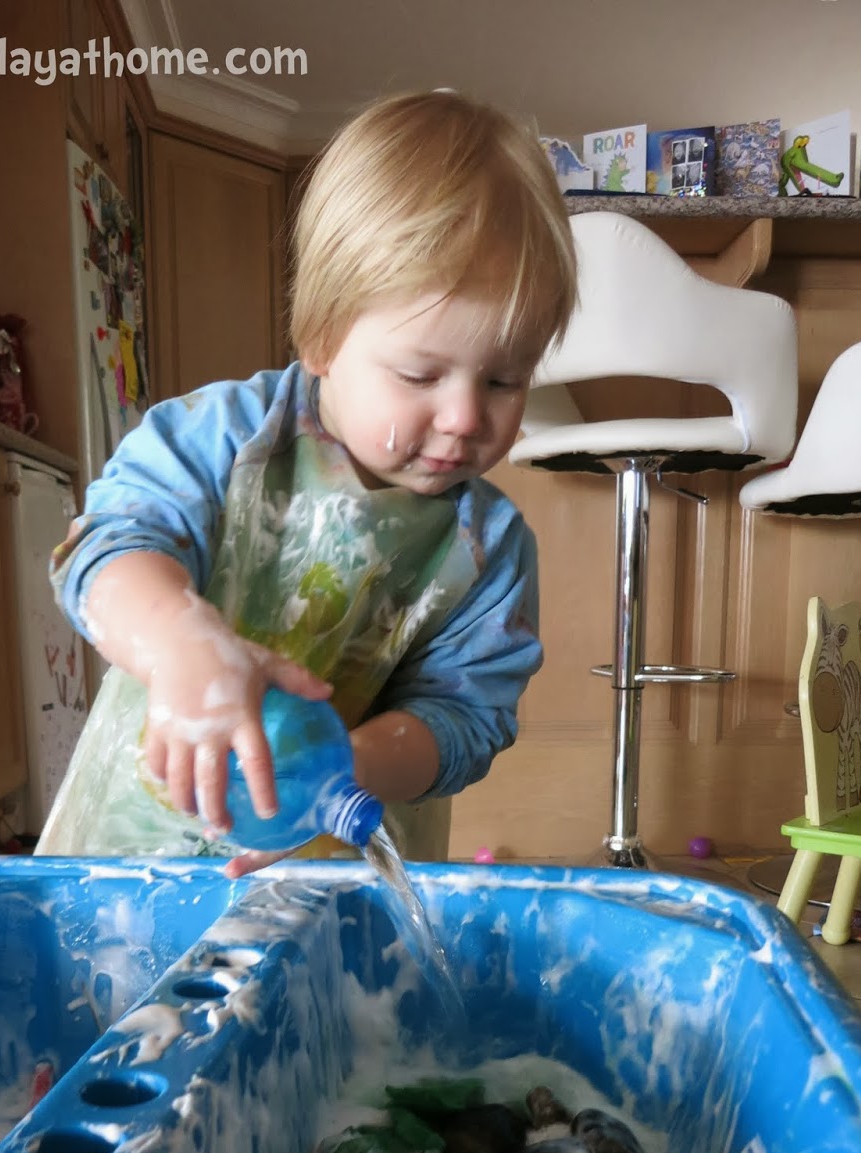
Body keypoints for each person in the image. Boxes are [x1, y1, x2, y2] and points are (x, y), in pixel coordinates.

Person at [37, 88, 577, 877]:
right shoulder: (221, 439)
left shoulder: (489, 550)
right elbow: (109, 548)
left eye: (504, 380)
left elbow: (466, 719)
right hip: (130, 852)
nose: (465, 416)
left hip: (330, 862)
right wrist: (180, 639)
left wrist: (335, 777)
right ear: (323, 337)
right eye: (420, 373)